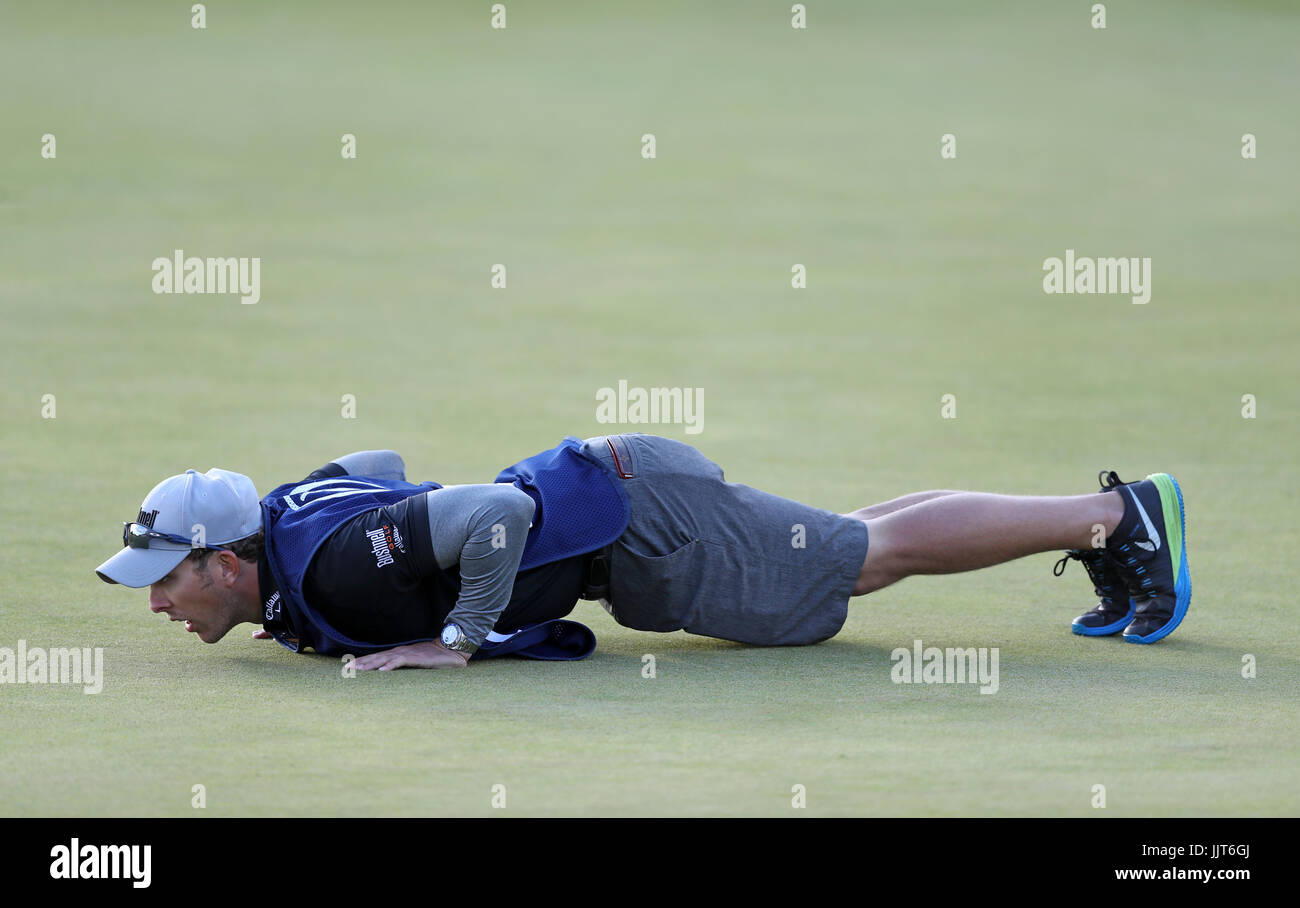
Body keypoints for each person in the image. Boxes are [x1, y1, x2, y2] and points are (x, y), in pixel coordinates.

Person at [93, 433, 1191, 671]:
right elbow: (375, 459)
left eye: (169, 578)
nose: (157, 603)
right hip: (624, 498)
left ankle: (1122, 516)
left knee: (867, 555)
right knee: (857, 540)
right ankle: (1105, 527)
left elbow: (491, 519)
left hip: (634, 522)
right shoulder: (291, 526)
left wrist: (456, 637)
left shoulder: (325, 565)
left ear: (225, 557)